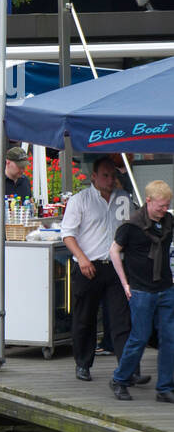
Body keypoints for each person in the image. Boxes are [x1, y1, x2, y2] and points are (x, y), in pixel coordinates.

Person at [62, 157, 137, 383]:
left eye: (113, 175)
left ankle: (127, 368)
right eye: (105, 175)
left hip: (116, 266)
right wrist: (82, 259)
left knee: (121, 319)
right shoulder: (80, 200)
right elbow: (67, 234)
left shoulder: (124, 198)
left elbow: (132, 227)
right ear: (93, 176)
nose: (110, 179)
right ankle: (83, 363)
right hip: (89, 264)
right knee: (85, 318)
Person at [108, 181, 174, 401]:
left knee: (170, 337)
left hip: (165, 287)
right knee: (139, 337)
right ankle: (120, 379)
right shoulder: (131, 225)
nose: (164, 210)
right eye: (161, 206)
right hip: (141, 289)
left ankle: (164, 387)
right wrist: (125, 283)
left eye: (167, 205)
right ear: (148, 201)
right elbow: (114, 252)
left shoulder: (169, 222)